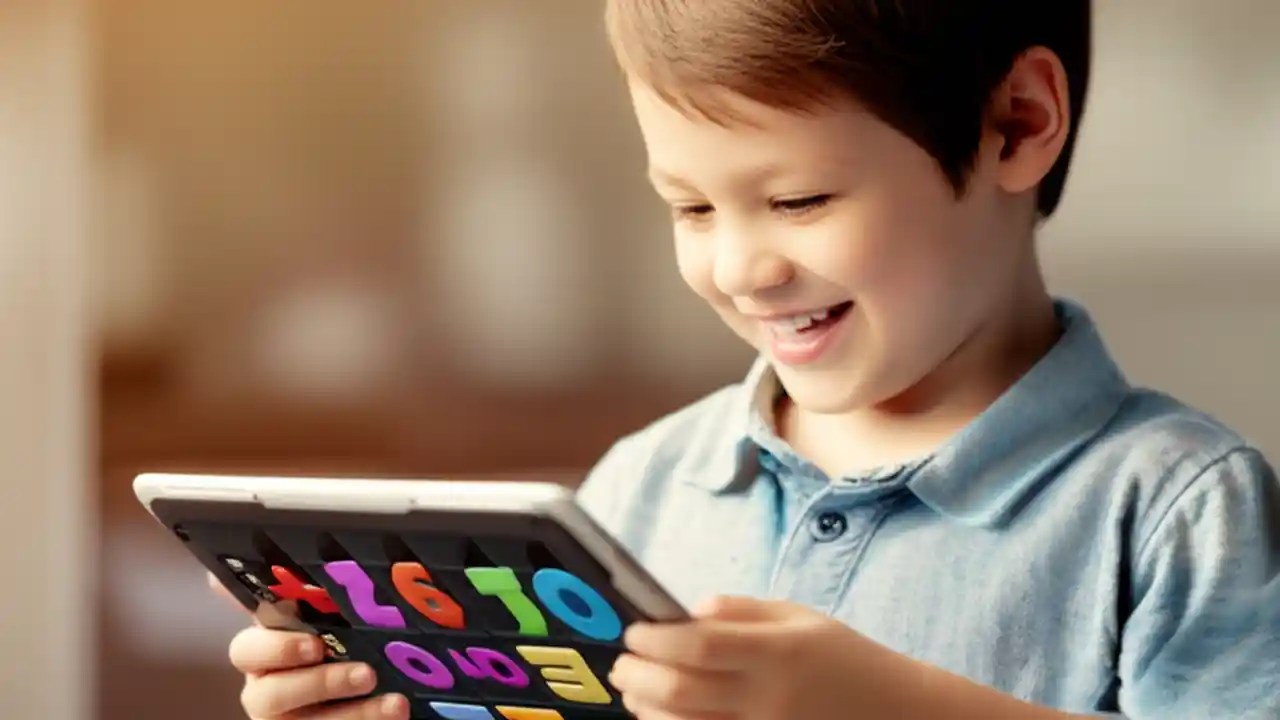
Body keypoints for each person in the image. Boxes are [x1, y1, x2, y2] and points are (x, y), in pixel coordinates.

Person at [223, 2, 1280, 719]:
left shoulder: (1176, 509)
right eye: (687, 206)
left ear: (1015, 124)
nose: (738, 268)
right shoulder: (639, 488)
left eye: (796, 201)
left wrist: (888, 711)